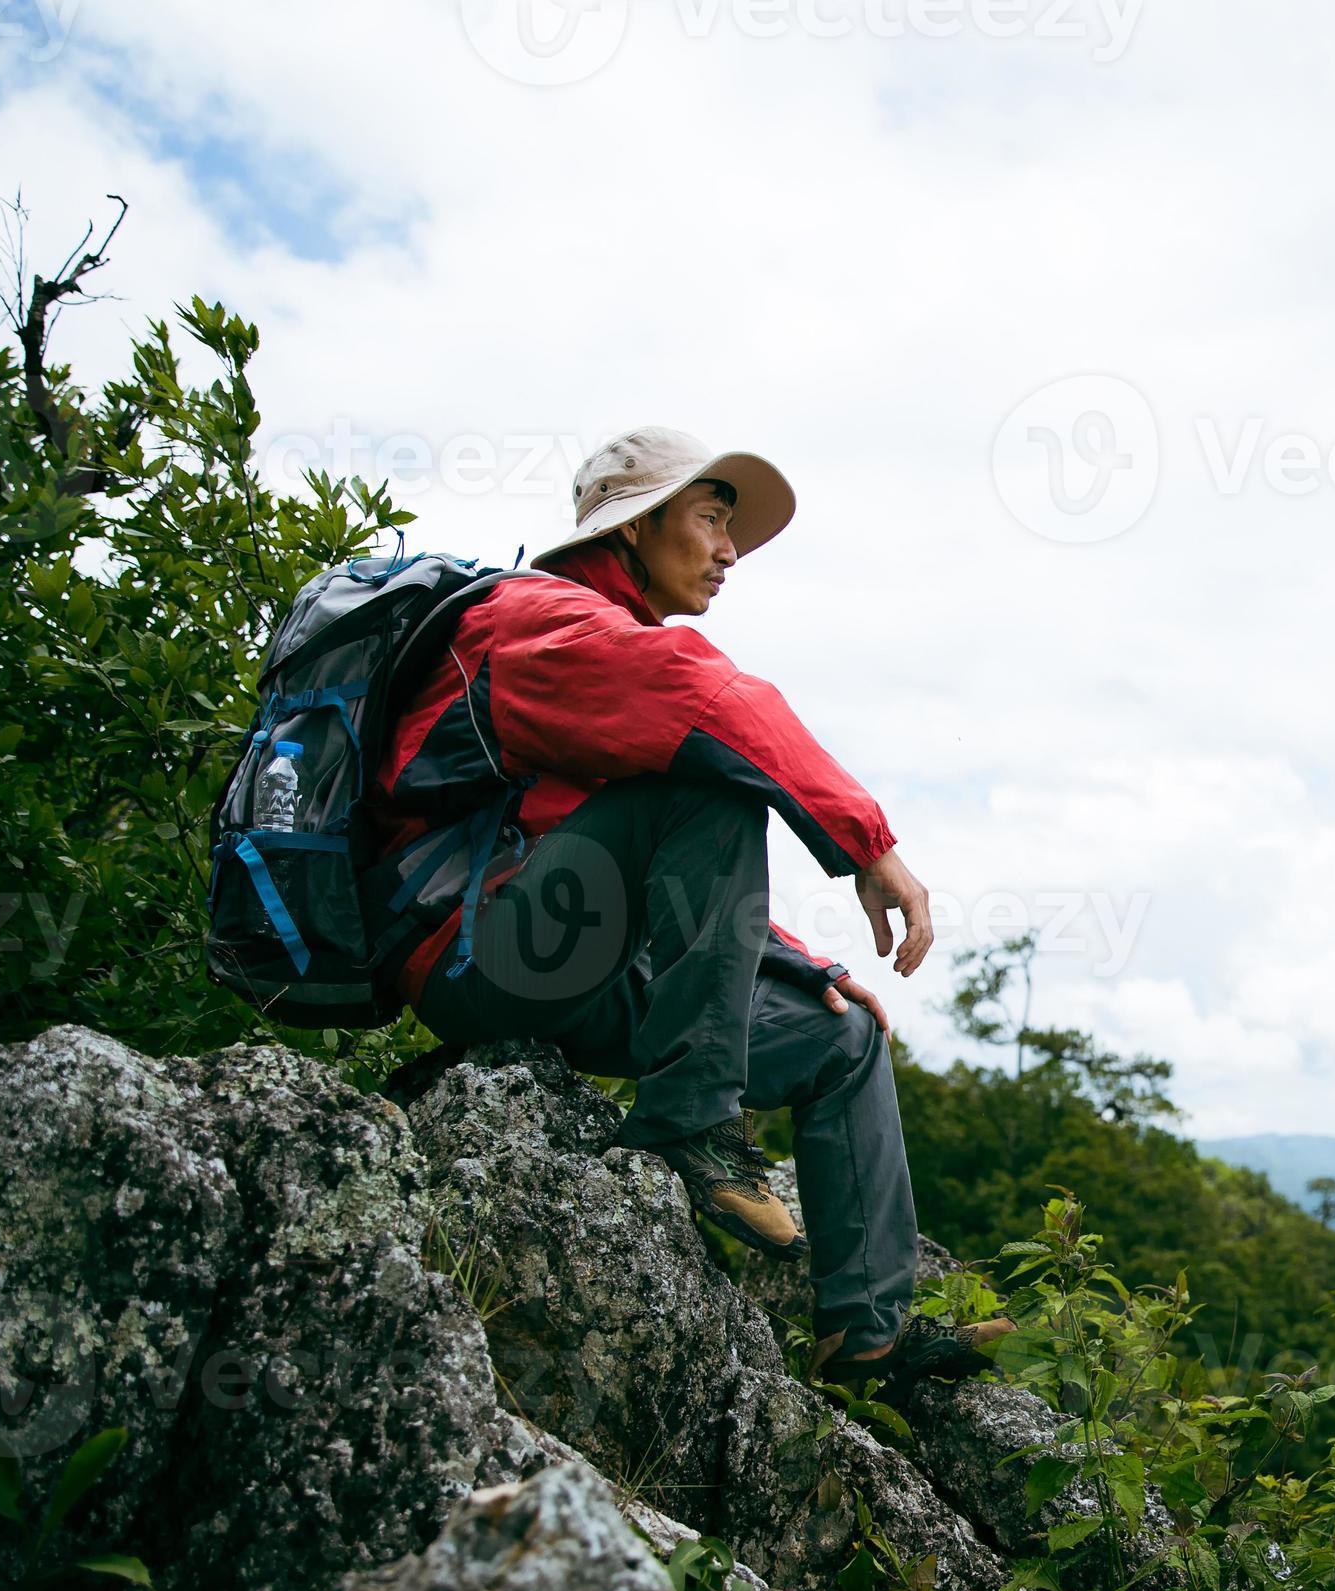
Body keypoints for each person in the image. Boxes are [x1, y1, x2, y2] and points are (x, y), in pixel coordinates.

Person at [361, 426, 995, 1397]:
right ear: (637, 524)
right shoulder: (533, 621)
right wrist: (868, 846)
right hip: (476, 956)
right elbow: (711, 701)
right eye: (710, 518)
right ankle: (691, 1125)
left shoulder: (608, 656)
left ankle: (865, 1341)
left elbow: (671, 873)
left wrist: (801, 968)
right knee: (714, 776)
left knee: (841, 1038)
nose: (730, 551)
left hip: (578, 968)